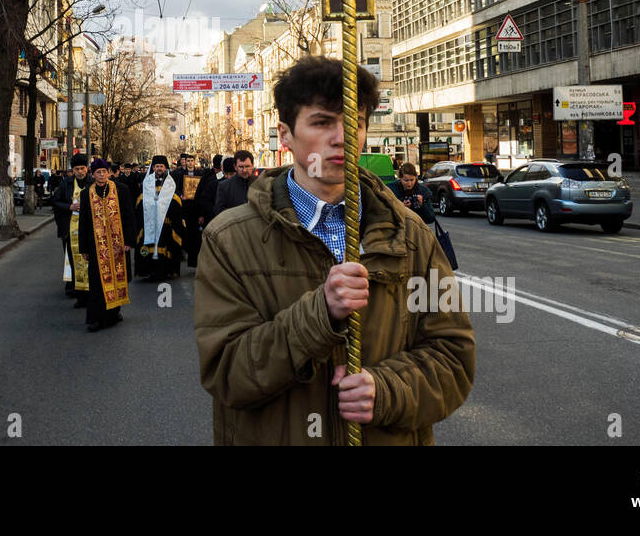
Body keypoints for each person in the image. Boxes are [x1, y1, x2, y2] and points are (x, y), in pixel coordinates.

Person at [194, 56, 475, 445]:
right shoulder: (229, 240)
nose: (341, 137)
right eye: (322, 122)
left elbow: (453, 358)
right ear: (286, 134)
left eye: (353, 123)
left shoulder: (410, 236)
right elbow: (228, 373)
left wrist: (387, 391)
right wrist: (320, 313)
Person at [77, 159, 136, 332]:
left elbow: (129, 216)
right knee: (96, 283)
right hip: (96, 246)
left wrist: (129, 241)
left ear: (109, 172)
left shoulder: (121, 190)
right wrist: (84, 249)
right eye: (98, 172)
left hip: (118, 245)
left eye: (104, 171)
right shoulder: (87, 193)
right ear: (92, 174)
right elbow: (83, 223)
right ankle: (95, 319)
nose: (101, 175)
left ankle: (113, 313)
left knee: (117, 279)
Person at [136, 155, 186, 281]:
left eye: (161, 166)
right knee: (150, 245)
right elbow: (142, 199)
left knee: (166, 244)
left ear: (165, 168)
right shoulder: (147, 182)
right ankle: (149, 271)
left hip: (166, 222)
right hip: (150, 220)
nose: (159, 169)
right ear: (153, 167)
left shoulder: (170, 182)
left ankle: (166, 271)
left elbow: (175, 198)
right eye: (157, 166)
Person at [52, 155, 90, 304]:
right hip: (70, 231)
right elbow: (56, 202)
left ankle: (89, 290)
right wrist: (70, 207)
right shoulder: (66, 184)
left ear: (87, 169)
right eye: (76, 169)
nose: (80, 172)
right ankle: (76, 290)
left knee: (88, 261)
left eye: (82, 168)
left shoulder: (92, 183)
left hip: (88, 231)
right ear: (72, 170)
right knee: (73, 261)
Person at [171, 153, 205, 267]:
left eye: (192, 160)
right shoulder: (181, 174)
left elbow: (202, 190)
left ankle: (197, 261)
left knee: (197, 235)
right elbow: (177, 189)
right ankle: (187, 256)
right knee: (187, 233)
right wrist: (181, 195)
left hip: (196, 208)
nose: (190, 163)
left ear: (195, 162)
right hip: (185, 207)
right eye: (188, 160)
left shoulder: (200, 173)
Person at [213, 149, 256, 216]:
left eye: (247, 166)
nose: (244, 170)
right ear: (235, 167)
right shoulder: (224, 186)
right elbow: (219, 211)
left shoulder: (262, 183)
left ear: (253, 165)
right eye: (241, 167)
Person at [194, 154, 223, 236]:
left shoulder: (220, 176)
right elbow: (200, 197)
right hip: (208, 214)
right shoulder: (208, 178)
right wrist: (201, 214)